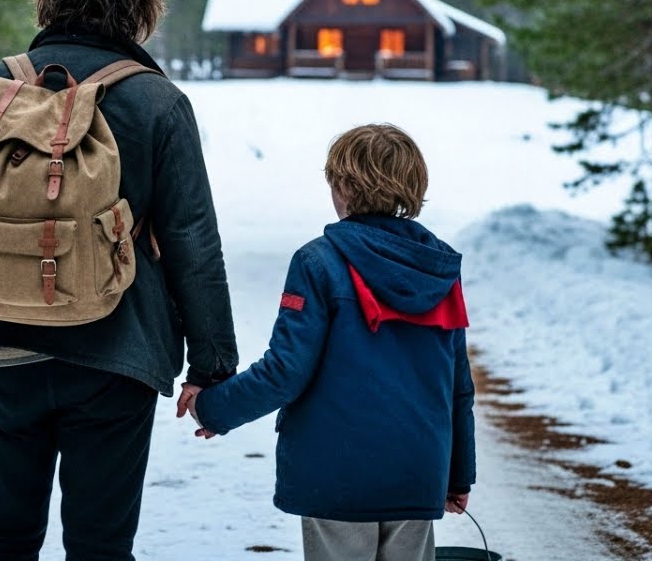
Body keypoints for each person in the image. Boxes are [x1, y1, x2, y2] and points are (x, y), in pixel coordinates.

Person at [0, 0, 238, 561]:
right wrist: (212, 368)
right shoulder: (157, 103)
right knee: (100, 544)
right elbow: (193, 243)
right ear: (141, 6)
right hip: (115, 357)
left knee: (2, 540)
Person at [181, 123, 476, 561]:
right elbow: (457, 385)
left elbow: (286, 371)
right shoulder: (435, 268)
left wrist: (213, 406)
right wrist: (457, 475)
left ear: (344, 186)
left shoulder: (319, 262)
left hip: (337, 474)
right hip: (418, 472)